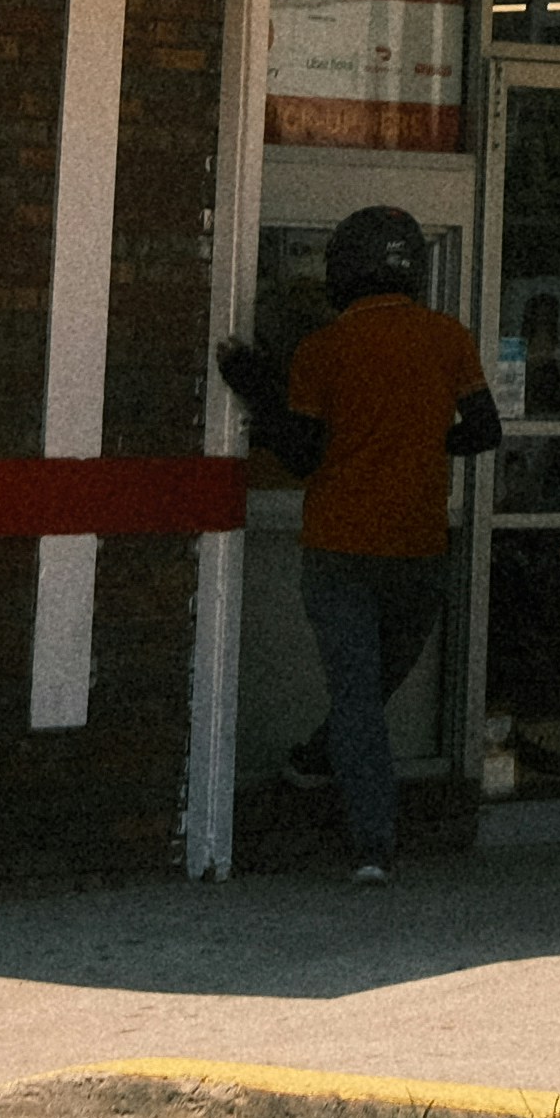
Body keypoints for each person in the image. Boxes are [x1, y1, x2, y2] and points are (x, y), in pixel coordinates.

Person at [218, 206, 498, 881]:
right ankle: (319, 764)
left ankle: (372, 842)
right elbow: (485, 431)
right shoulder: (449, 338)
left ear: (343, 271)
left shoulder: (321, 351)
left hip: (340, 546)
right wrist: (428, 443)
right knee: (372, 690)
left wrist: (257, 387)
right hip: (420, 545)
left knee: (355, 696)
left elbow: (302, 455)